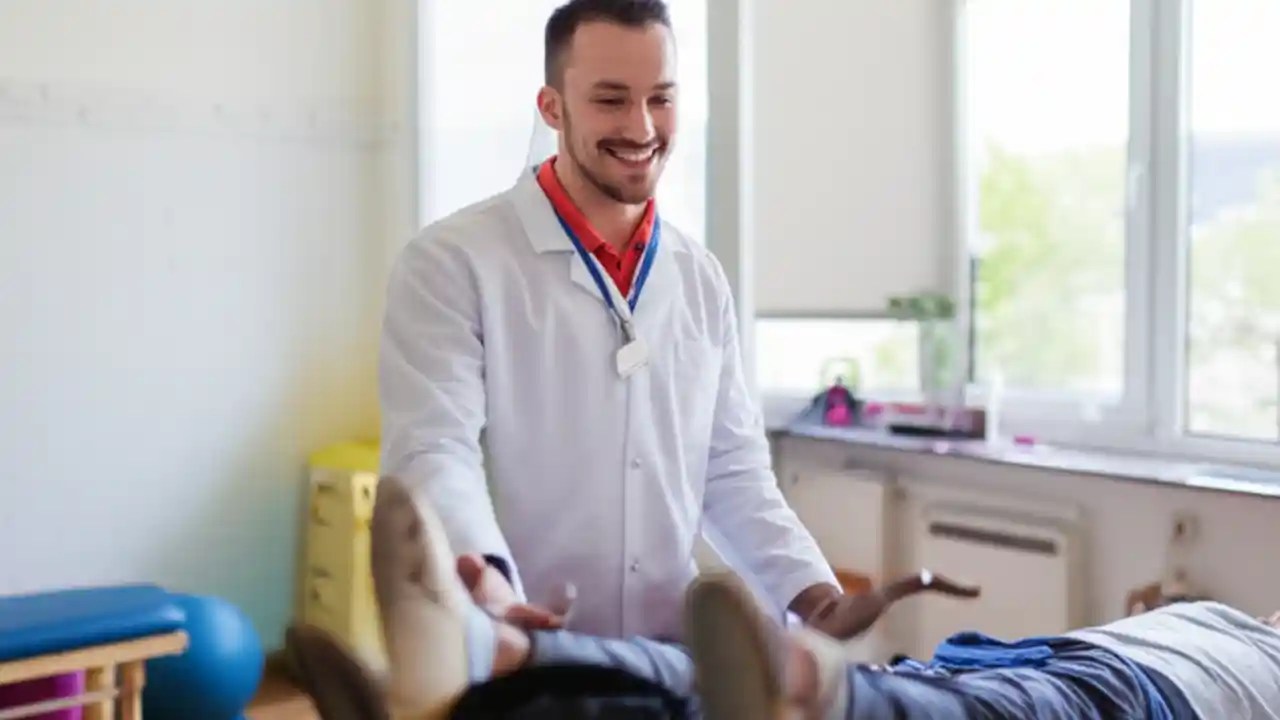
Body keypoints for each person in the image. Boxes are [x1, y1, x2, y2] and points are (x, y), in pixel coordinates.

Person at [379, 0, 860, 644]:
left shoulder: (699, 278)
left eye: (660, 98)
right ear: (552, 108)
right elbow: (434, 450)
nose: (641, 127)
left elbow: (732, 471)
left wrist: (817, 597)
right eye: (611, 100)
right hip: (516, 641)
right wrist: (487, 582)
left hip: (667, 654)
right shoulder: (451, 263)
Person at [687, 573, 1280, 720]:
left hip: (1136, 694)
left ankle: (816, 685)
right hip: (1061, 658)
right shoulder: (1226, 619)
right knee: (944, 689)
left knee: (1020, 709)